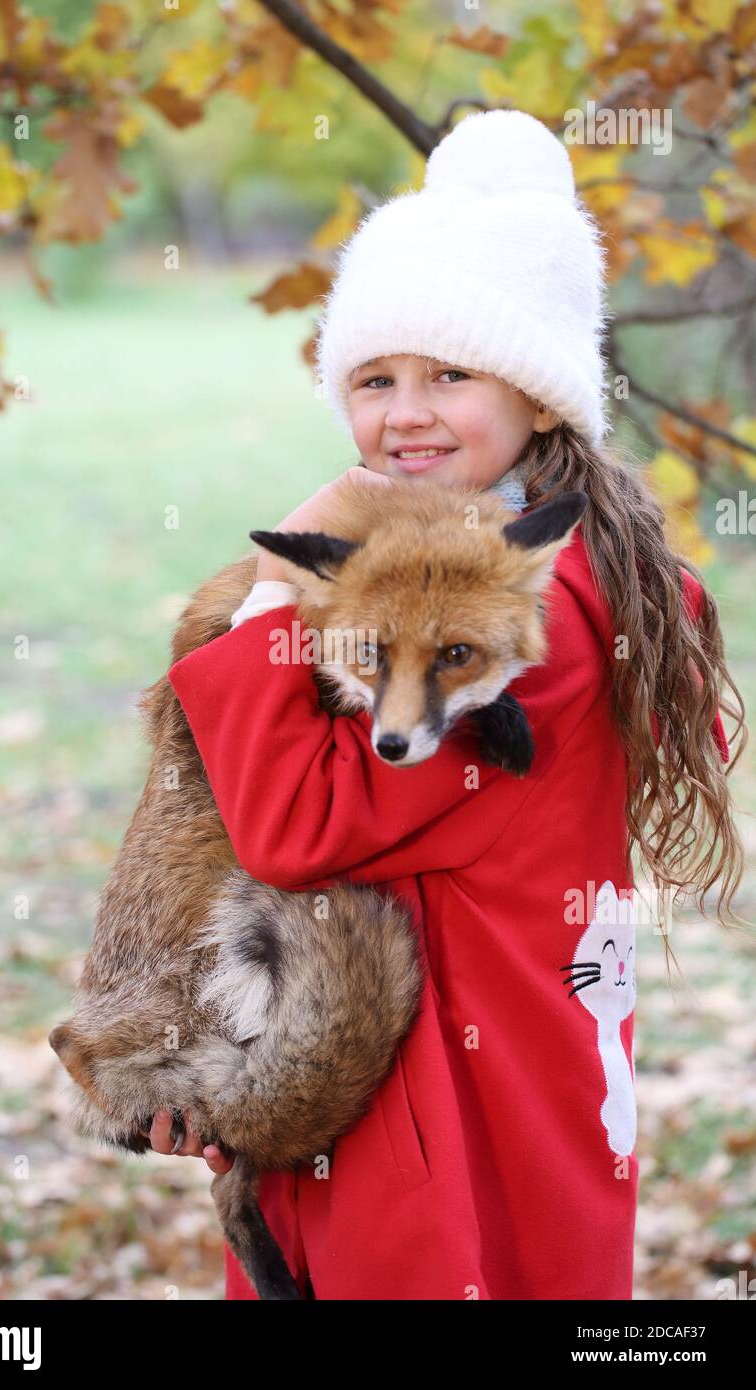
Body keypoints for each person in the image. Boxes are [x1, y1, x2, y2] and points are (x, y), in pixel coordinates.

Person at [147, 109, 746, 1299]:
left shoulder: (534, 609)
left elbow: (292, 827)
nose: (403, 412)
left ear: (538, 397)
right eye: (373, 378)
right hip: (398, 1064)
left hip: (447, 1118)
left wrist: (274, 593)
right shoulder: (500, 562)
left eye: (451, 374)